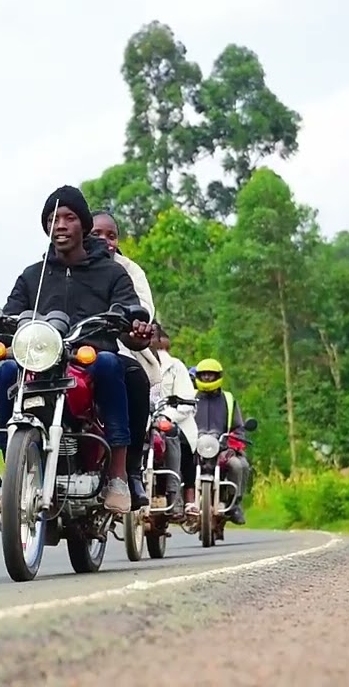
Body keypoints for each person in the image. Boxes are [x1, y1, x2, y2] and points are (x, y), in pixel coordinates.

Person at [0, 185, 153, 516]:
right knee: (7, 370)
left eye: (69, 217)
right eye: (53, 218)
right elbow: (12, 315)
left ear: (84, 226)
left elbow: (130, 309)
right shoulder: (32, 275)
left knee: (111, 364)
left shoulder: (112, 272)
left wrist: (133, 324)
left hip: (87, 361)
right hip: (42, 363)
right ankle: (10, 479)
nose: (60, 224)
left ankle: (119, 475)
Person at [89, 210, 157, 509]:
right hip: (64, 349)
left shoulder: (128, 270)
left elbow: (143, 310)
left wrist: (131, 323)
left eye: (111, 235)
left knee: (133, 376)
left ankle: (130, 469)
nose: (105, 241)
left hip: (119, 345)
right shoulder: (61, 265)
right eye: (97, 234)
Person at [191, 357, 250, 525]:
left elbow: (239, 427)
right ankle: (183, 502)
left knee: (240, 465)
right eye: (204, 375)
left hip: (223, 448)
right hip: (196, 449)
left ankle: (234, 503)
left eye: (211, 375)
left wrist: (232, 447)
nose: (207, 379)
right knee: (179, 464)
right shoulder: (190, 397)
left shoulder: (229, 399)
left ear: (218, 376)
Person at [147, 324, 197, 520]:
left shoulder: (175, 367)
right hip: (143, 419)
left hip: (171, 420)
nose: (147, 341)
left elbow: (187, 402)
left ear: (159, 341)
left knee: (172, 434)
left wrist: (166, 416)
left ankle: (176, 497)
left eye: (151, 337)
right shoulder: (133, 363)